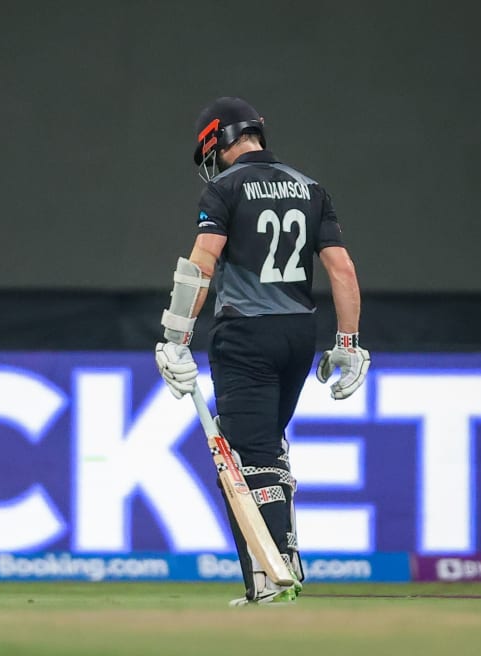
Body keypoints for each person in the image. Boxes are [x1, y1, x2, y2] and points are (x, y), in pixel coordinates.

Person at [154, 96, 369, 605]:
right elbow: (342, 269)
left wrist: (176, 337)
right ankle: (281, 566)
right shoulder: (310, 187)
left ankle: (272, 577)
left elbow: (201, 263)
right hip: (299, 335)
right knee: (266, 449)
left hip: (246, 334)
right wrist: (348, 344)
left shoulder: (224, 188)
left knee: (247, 457)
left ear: (218, 142)